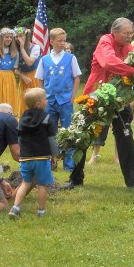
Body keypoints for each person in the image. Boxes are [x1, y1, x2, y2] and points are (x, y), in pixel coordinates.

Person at [64, 18, 134, 189]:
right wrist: (132, 72)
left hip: (119, 97)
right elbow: (108, 62)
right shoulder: (105, 42)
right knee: (83, 137)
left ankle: (133, 181)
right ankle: (75, 179)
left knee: (125, 136)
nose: (130, 37)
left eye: (131, 33)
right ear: (114, 32)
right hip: (96, 96)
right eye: (126, 33)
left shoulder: (128, 48)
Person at [34, 28, 81, 172]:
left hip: (65, 100)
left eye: (64, 40)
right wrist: (42, 97)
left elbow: (77, 77)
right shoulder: (44, 59)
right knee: (49, 132)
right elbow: (40, 80)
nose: (62, 43)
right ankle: (50, 162)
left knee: (68, 131)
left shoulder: (70, 58)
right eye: (59, 40)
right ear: (51, 41)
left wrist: (72, 96)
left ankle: (69, 164)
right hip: (49, 101)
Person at [8, 88, 59, 219]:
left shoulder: (22, 118)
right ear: (38, 103)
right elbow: (51, 139)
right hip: (41, 158)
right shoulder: (46, 118)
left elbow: (19, 138)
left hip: (25, 158)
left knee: (26, 182)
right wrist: (55, 155)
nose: (47, 101)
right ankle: (41, 211)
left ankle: (16, 207)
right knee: (42, 184)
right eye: (45, 99)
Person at [15, 27, 42, 118]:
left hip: (35, 77)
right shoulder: (15, 50)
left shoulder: (35, 48)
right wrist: (23, 76)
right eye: (17, 37)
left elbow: (29, 62)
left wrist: (22, 48)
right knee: (24, 102)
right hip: (24, 79)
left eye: (21, 36)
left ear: (27, 37)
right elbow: (15, 69)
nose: (18, 39)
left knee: (37, 100)